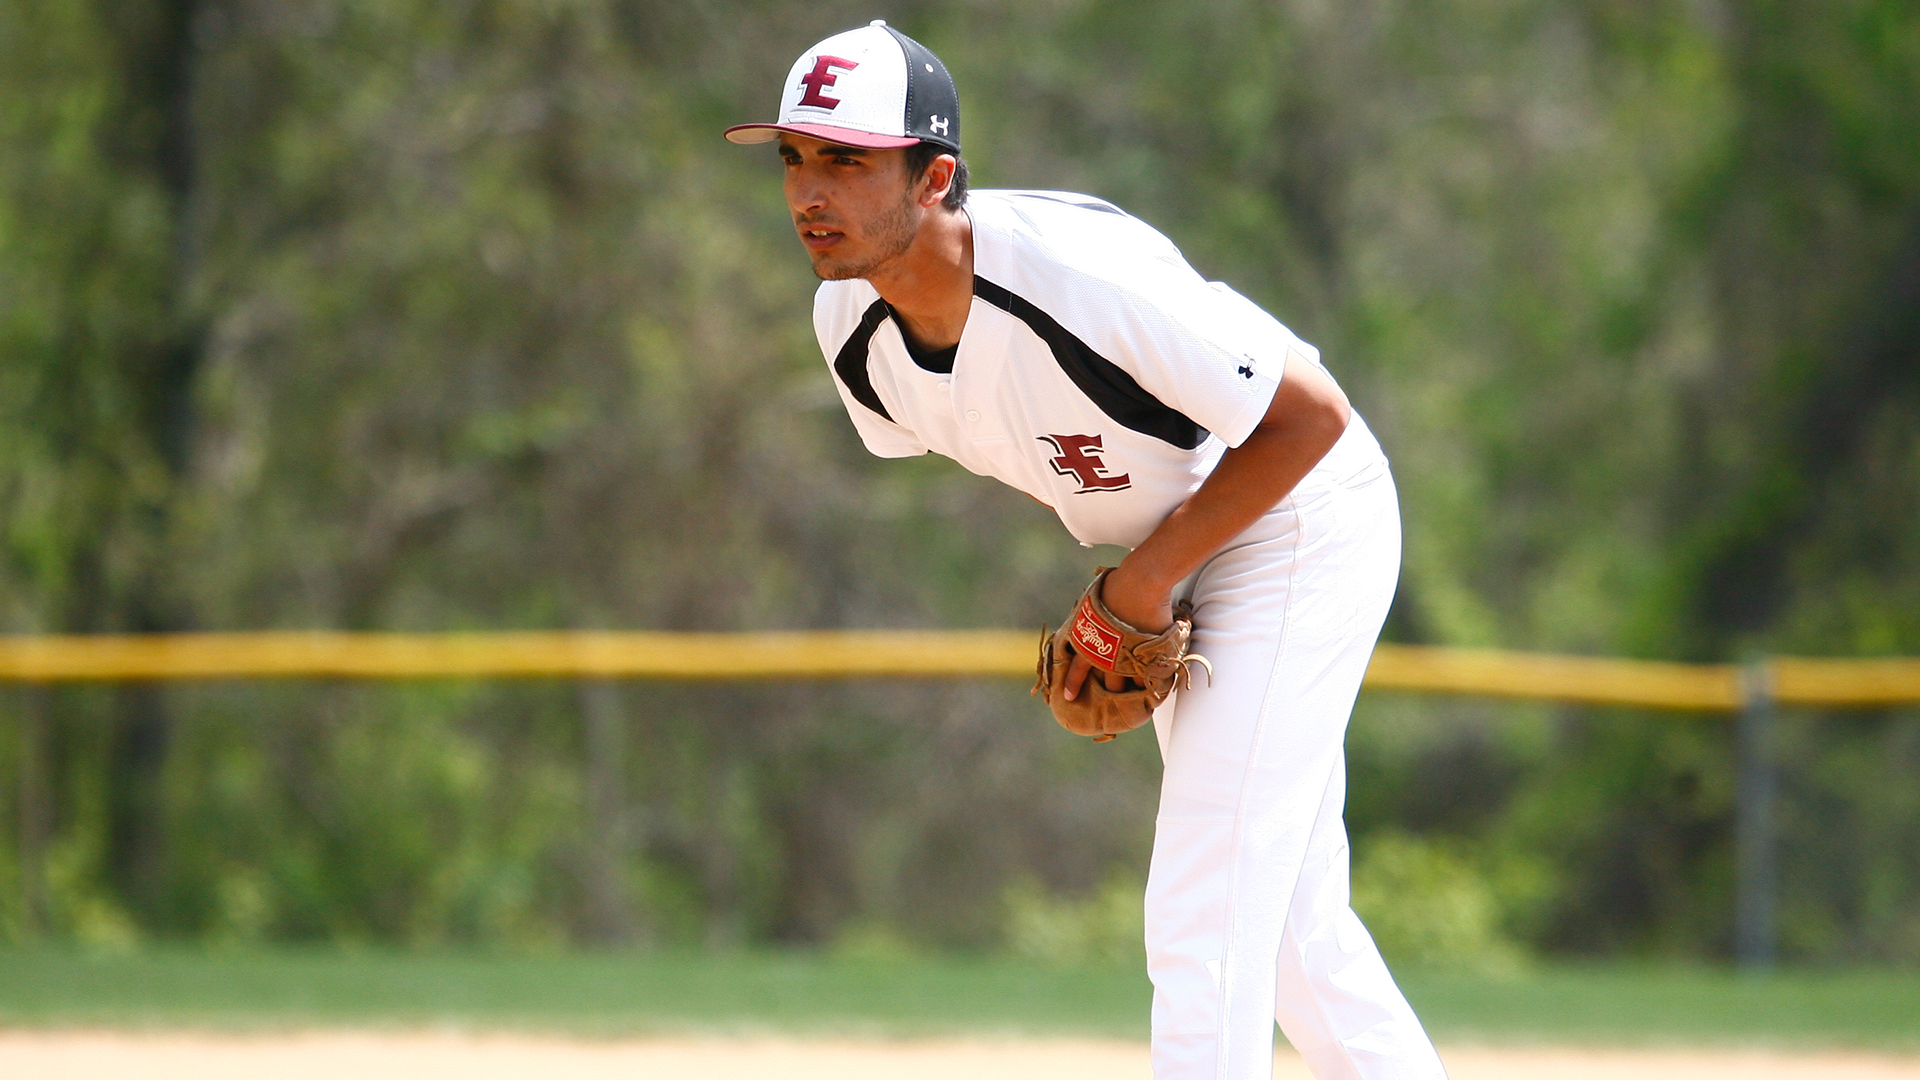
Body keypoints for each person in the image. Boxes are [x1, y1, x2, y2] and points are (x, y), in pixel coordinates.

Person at [725, 21, 1449, 1080]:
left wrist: (1140, 583)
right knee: (1291, 931)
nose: (808, 190)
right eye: (793, 155)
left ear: (935, 177)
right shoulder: (852, 334)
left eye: (847, 158)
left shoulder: (1078, 273)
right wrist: (1140, 580)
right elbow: (1053, 439)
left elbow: (1311, 419)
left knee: (1204, 898)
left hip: (1298, 514)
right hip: (1179, 546)